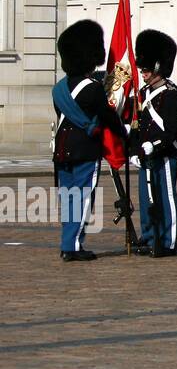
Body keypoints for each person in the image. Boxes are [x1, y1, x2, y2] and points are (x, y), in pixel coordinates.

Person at [52, 20, 126, 261]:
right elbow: (108, 118)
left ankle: (68, 242)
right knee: (82, 198)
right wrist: (126, 136)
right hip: (85, 150)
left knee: (67, 199)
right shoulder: (92, 88)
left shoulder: (58, 89)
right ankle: (72, 246)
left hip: (62, 151)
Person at [129, 30, 177, 257]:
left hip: (165, 154)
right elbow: (136, 126)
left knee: (166, 197)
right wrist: (133, 150)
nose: (144, 74)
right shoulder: (142, 94)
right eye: (143, 70)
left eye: (147, 70)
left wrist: (156, 144)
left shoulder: (170, 94)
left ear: (159, 68)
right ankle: (150, 235)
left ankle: (169, 239)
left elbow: (173, 130)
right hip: (145, 155)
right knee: (145, 197)